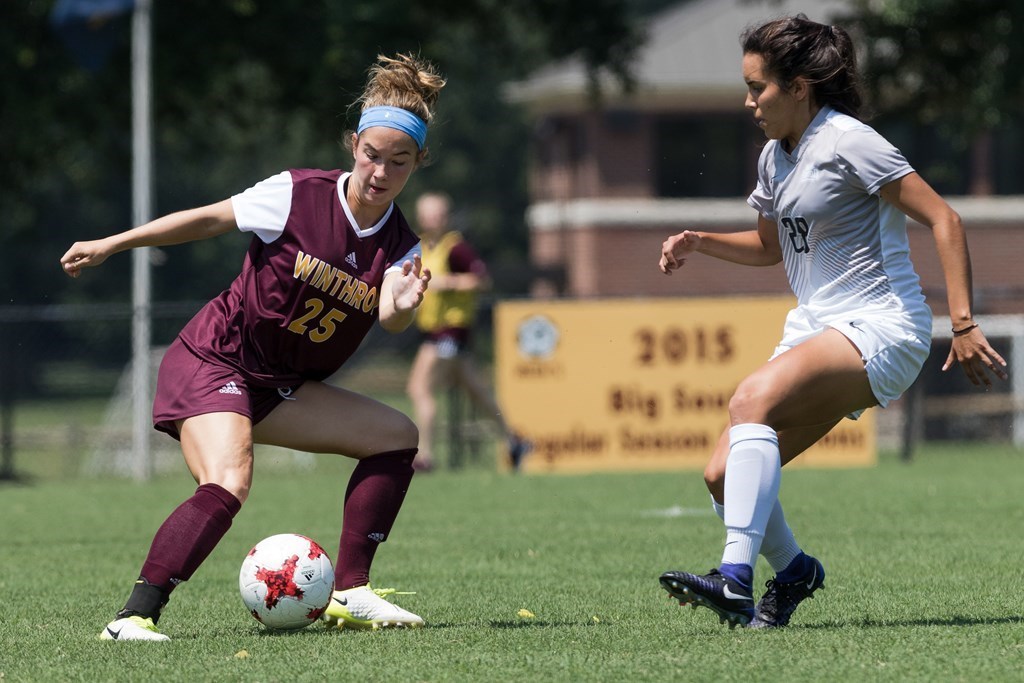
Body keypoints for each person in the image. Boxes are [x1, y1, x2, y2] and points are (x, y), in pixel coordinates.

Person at [60, 53, 446, 641]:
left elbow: (391, 315)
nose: (380, 172)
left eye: (399, 162)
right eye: (372, 154)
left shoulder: (400, 245)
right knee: (230, 478)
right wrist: (114, 243)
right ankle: (135, 616)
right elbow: (207, 220)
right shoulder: (297, 195)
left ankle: (351, 590)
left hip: (279, 387)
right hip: (215, 358)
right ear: (352, 144)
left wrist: (401, 303)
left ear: (418, 163)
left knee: (396, 437)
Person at [656, 15, 1008, 629]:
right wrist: (702, 241)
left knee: (749, 401)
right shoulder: (773, 157)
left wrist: (962, 322)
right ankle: (793, 570)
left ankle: (735, 578)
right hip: (817, 328)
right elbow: (771, 247)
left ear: (799, 87)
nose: (748, 102)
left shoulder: (850, 141)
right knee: (720, 476)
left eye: (757, 87)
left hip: (882, 325)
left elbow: (945, 219)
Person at [405, 191, 531, 472]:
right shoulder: (423, 247)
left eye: (436, 214)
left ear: (445, 218)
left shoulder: (455, 248)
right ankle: (514, 440)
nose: (430, 219)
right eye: (426, 214)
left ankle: (425, 456)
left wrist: (445, 283)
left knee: (419, 387)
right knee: (476, 392)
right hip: (432, 330)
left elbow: (480, 279)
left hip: (450, 331)